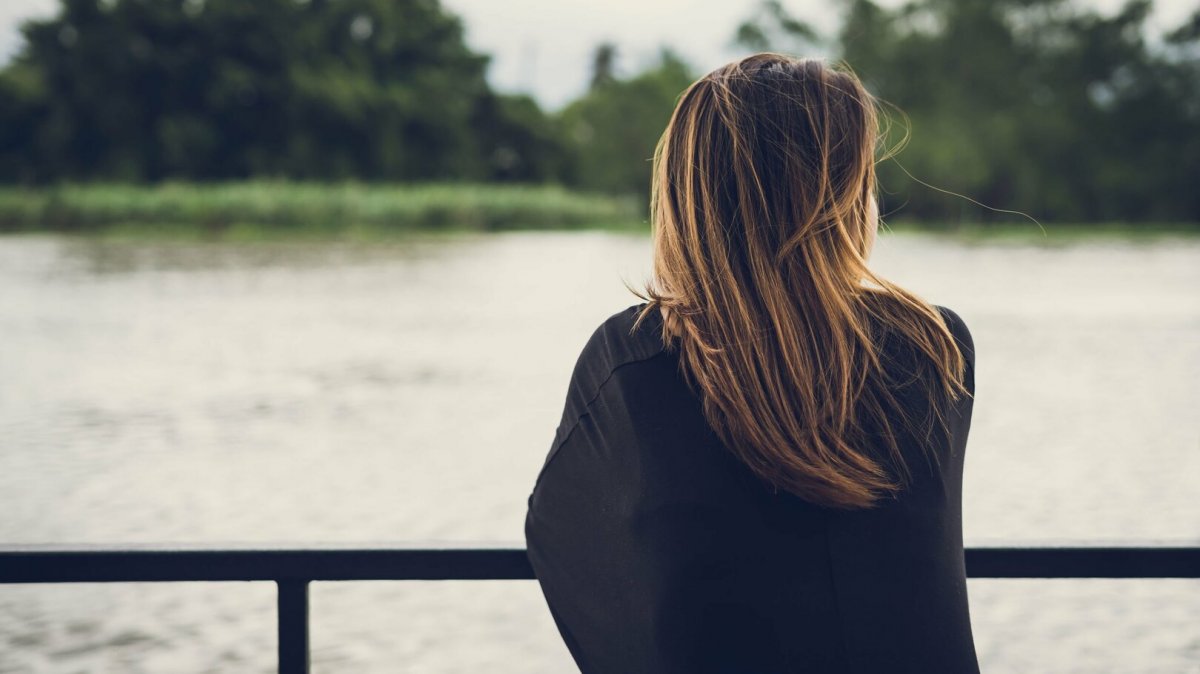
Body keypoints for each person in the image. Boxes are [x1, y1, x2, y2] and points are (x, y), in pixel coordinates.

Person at [524, 53, 978, 674]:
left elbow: (561, 538)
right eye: (865, 180)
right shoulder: (932, 348)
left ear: (688, 200)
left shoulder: (632, 360)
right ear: (839, 205)